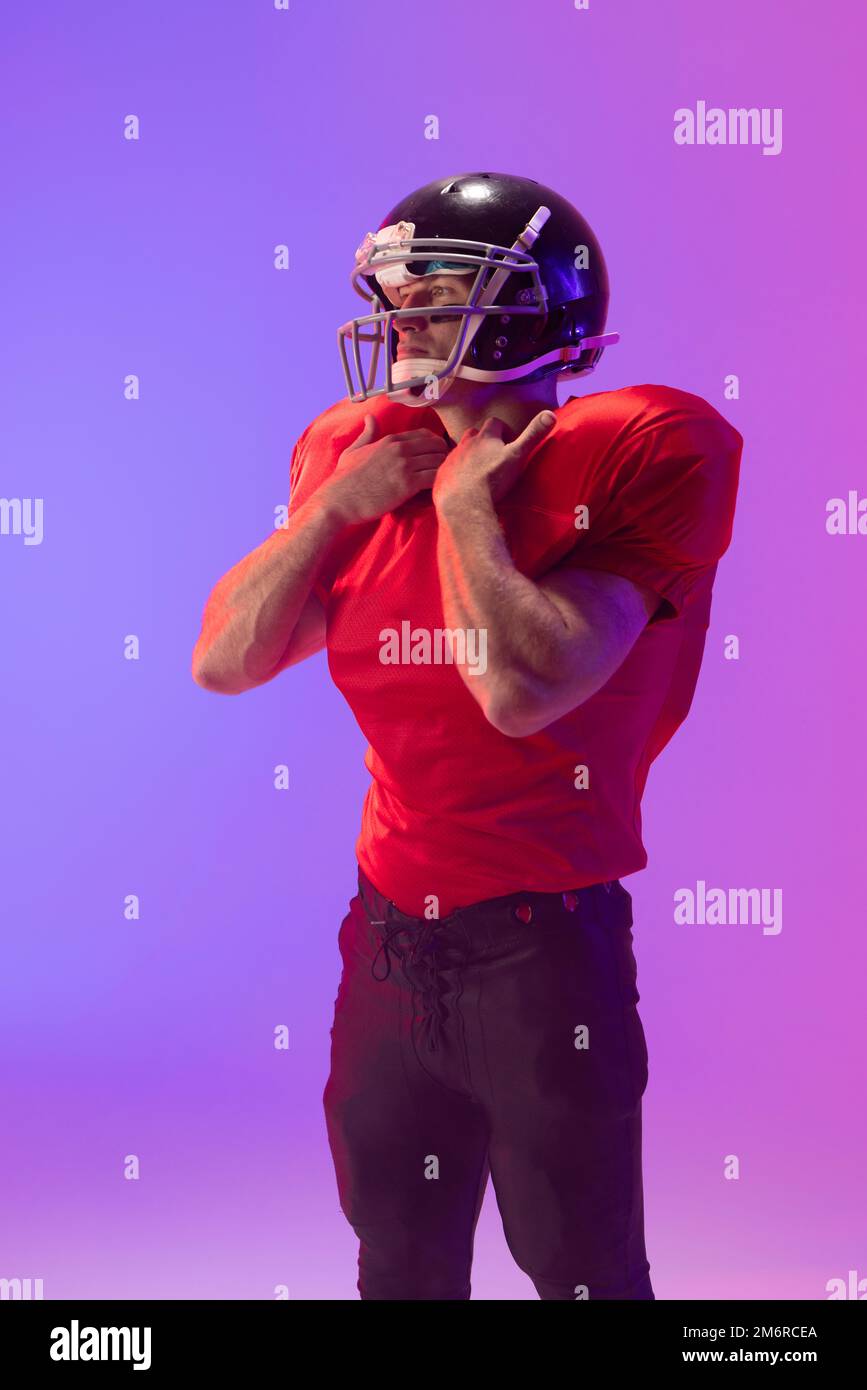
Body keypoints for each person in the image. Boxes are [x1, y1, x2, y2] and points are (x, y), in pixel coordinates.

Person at [192, 172, 743, 1300]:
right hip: (387, 937)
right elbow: (226, 661)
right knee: (398, 1265)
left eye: (436, 292)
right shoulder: (359, 453)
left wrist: (462, 509)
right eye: (395, 296)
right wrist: (340, 510)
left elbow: (519, 691)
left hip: (543, 952)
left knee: (584, 1273)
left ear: (534, 309)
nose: (402, 321)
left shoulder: (640, 448)